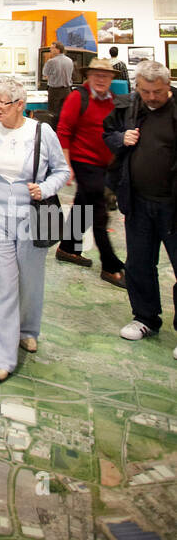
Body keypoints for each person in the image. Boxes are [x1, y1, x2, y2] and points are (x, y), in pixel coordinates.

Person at [0, 77, 70, 381]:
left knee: (29, 279)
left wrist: (45, 187)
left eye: (3, 102)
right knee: (1, 283)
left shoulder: (42, 132)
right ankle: (2, 355)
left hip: (32, 216)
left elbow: (62, 170)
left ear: (20, 105)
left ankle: (27, 329)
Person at [103, 60, 177, 352]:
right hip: (138, 202)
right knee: (139, 263)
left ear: (168, 84)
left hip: (173, 205)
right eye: (145, 91)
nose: (151, 97)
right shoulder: (128, 106)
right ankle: (145, 317)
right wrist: (121, 138)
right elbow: (107, 134)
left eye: (157, 91)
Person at [55, 58, 125, 286]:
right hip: (83, 162)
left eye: (105, 76)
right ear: (88, 76)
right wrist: (66, 165)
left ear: (112, 78)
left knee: (83, 206)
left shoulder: (114, 101)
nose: (101, 79)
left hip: (106, 165)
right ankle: (110, 265)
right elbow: (63, 130)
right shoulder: (78, 97)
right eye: (96, 75)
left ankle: (67, 248)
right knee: (99, 211)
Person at [42, 41, 74, 125]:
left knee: (52, 114)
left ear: (58, 50)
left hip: (54, 91)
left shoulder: (51, 62)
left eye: (52, 48)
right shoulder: (70, 61)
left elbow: (45, 75)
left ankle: (53, 132)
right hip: (67, 90)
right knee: (65, 114)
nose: (50, 49)